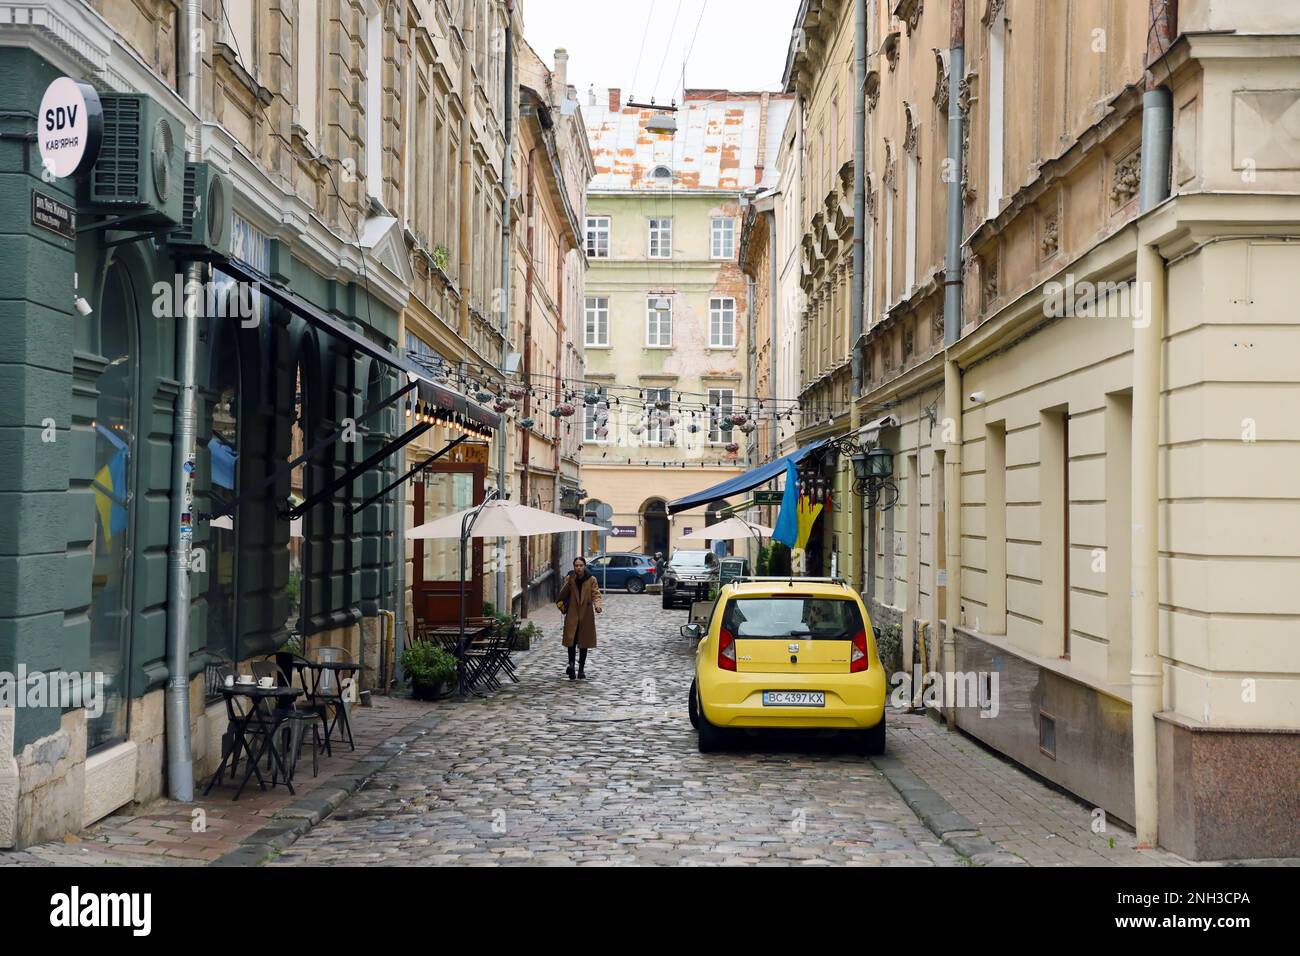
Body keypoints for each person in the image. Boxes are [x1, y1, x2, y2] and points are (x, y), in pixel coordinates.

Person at [557, 556, 602, 680]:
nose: (579, 568)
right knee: (571, 641)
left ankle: (581, 669)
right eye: (576, 565)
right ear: (574, 567)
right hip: (572, 614)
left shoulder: (591, 579)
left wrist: (598, 606)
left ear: (584, 566)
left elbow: (596, 594)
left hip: (585, 615)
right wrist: (569, 582)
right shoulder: (570, 578)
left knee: (584, 643)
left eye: (581, 565)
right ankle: (571, 666)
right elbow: (562, 595)